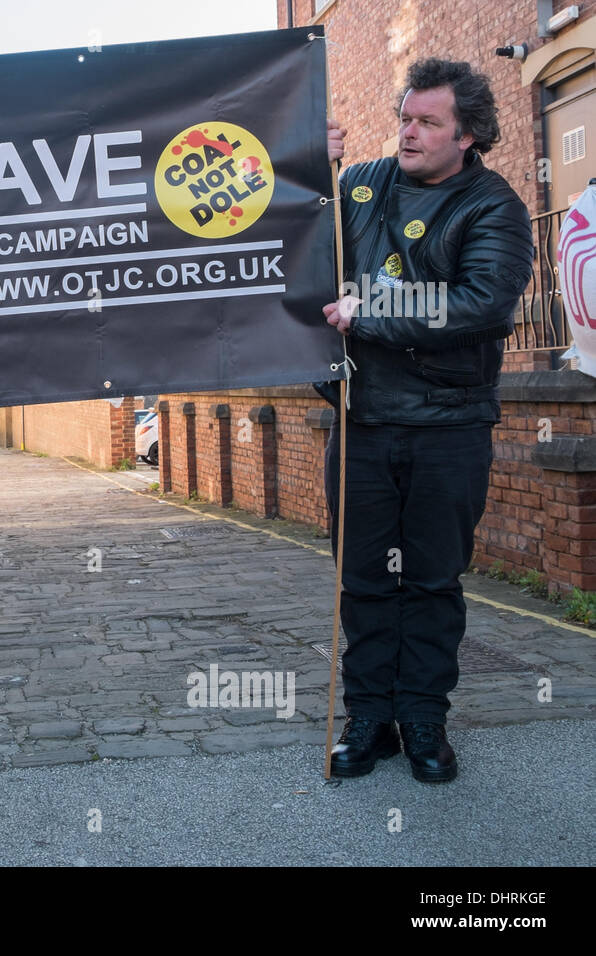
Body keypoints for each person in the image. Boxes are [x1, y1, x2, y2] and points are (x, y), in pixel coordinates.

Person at [319, 59, 533, 782]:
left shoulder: (493, 205)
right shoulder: (363, 182)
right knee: (365, 582)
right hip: (362, 422)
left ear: (466, 134)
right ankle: (368, 720)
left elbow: (482, 306)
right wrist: (306, 166)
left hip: (449, 426)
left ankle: (424, 722)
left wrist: (370, 314)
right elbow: (302, 235)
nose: (408, 131)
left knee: (434, 582)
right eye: (405, 117)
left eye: (427, 122)